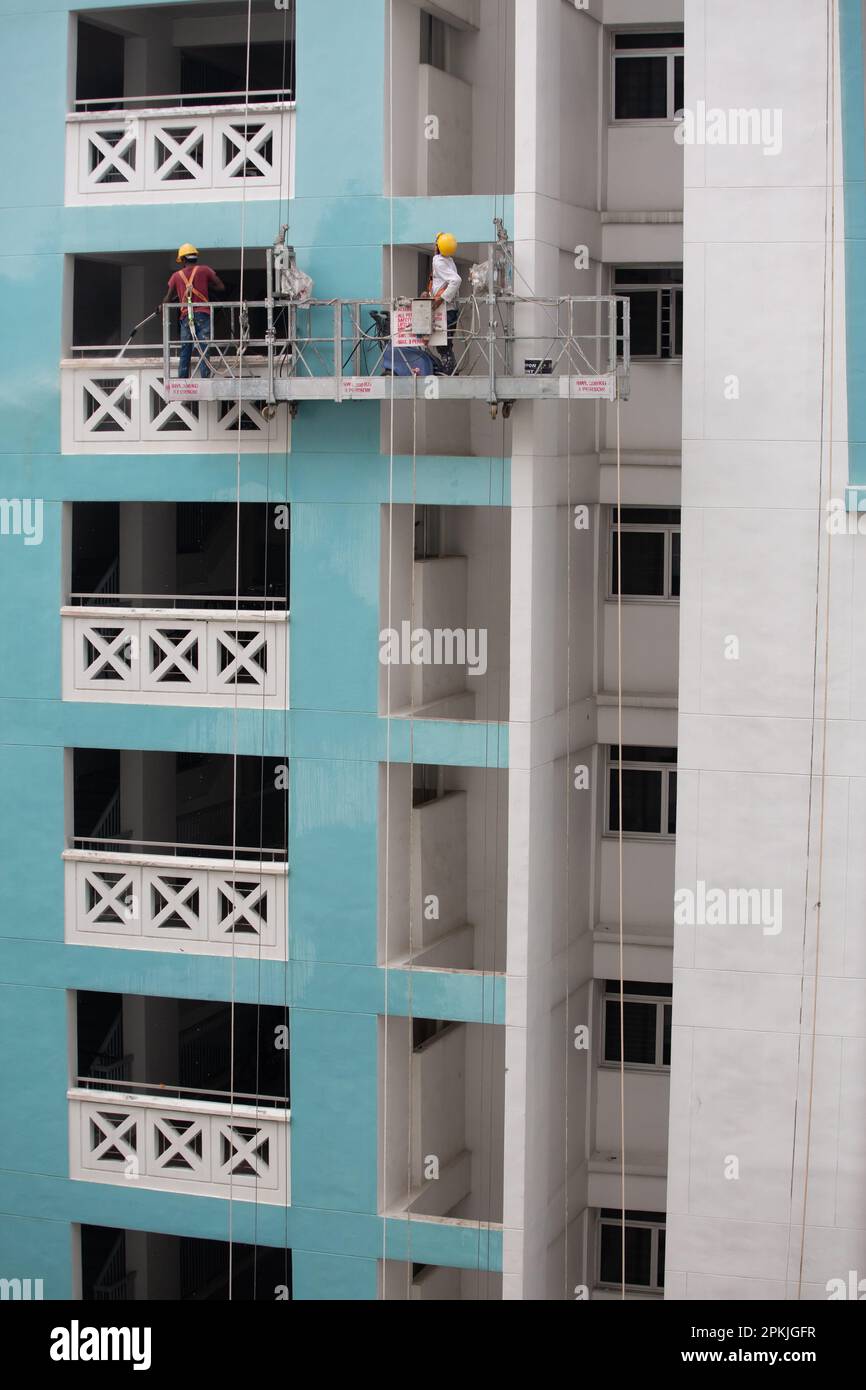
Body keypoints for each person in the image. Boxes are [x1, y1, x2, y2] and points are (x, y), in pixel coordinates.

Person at [160, 244, 225, 379]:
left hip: (185, 317)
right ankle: (205, 379)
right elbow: (221, 287)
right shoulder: (205, 270)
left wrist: (161, 306)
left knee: (185, 350)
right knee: (204, 349)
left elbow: (168, 297)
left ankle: (182, 382)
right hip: (204, 315)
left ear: (183, 259)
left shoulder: (176, 276)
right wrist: (206, 286)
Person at [428, 233, 462, 375]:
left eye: (436, 243)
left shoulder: (438, 260)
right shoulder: (449, 260)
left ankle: (448, 369)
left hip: (445, 310)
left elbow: (455, 280)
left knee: (443, 344)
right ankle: (450, 368)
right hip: (451, 309)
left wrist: (440, 299)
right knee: (446, 342)